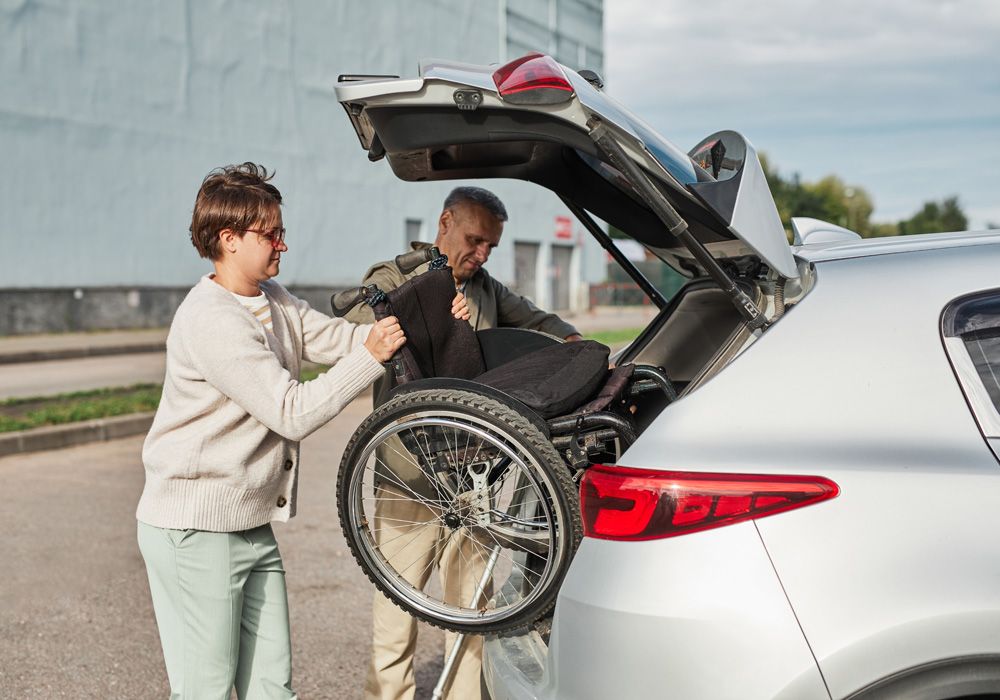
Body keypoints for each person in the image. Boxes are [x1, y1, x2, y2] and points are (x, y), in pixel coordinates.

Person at [134, 162, 417, 699]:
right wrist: (372, 357)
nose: (283, 244)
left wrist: (407, 322)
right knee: (206, 691)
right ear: (229, 239)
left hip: (249, 523)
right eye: (272, 234)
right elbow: (291, 410)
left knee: (272, 687)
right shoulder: (212, 318)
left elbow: (336, 338)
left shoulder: (273, 299)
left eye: (281, 231)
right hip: (195, 530)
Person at [346, 185, 581, 700]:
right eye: (475, 240)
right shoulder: (391, 277)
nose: (481, 254)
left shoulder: (486, 288)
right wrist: (425, 307)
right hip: (408, 473)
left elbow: (545, 325)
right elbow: (356, 324)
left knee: (473, 607)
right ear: (445, 222)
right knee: (396, 604)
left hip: (472, 478)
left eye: (491, 246)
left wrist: (578, 347)